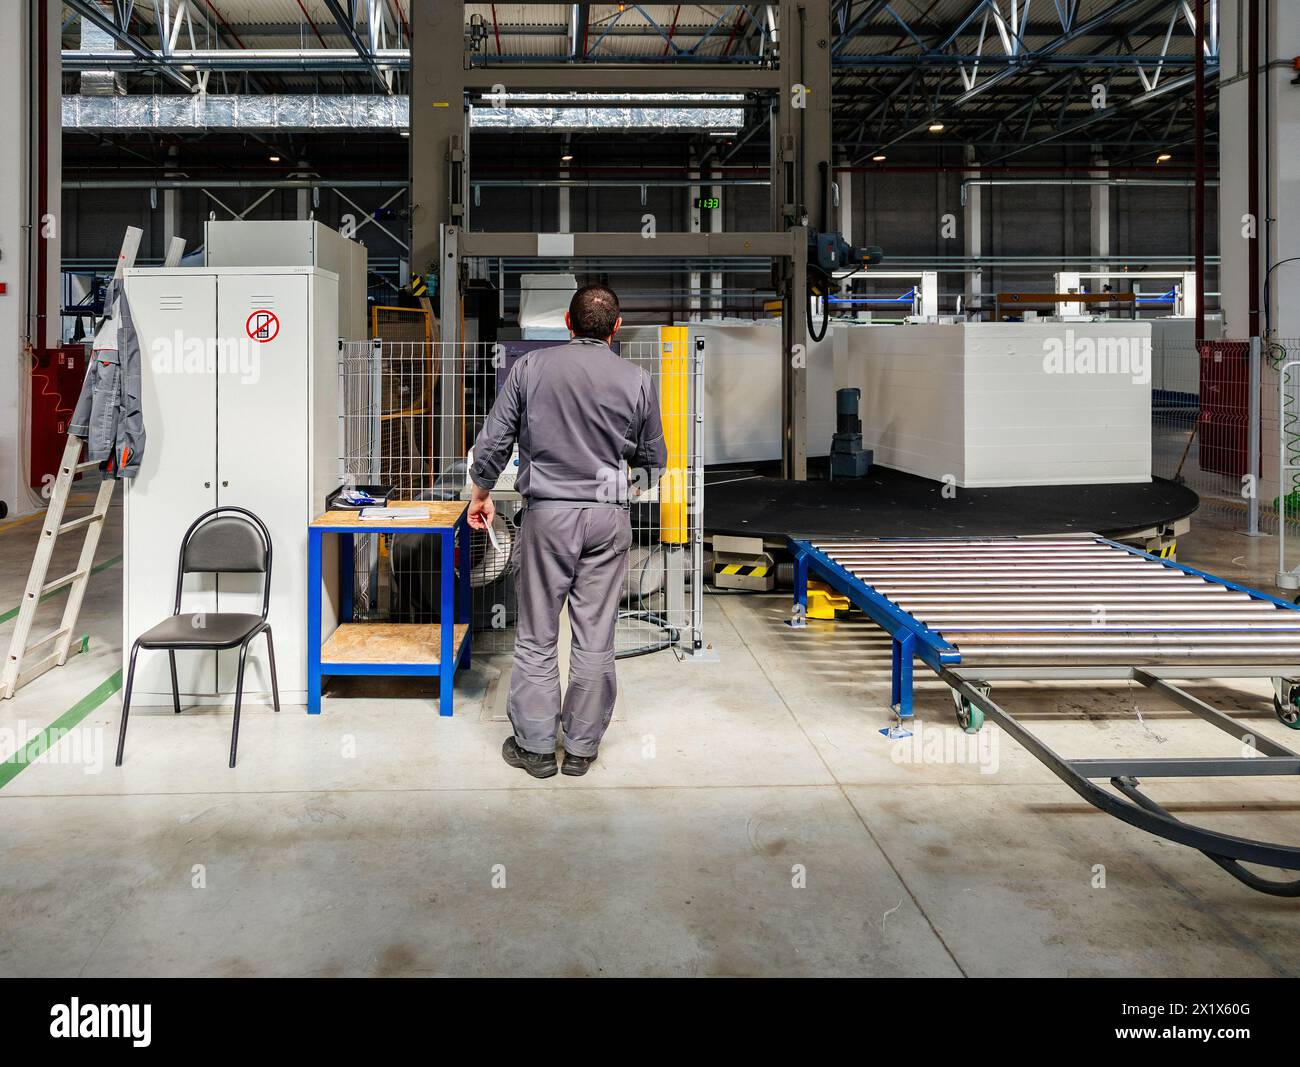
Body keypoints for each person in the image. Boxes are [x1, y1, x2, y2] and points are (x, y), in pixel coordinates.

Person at [467, 285, 667, 778]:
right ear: (616, 329)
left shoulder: (530, 369)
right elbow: (654, 462)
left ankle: (535, 749)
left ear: (567, 323)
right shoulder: (637, 379)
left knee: (536, 633)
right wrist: (623, 493)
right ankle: (580, 748)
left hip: (548, 516)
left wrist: (481, 493)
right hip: (606, 517)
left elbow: (493, 442)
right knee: (595, 635)